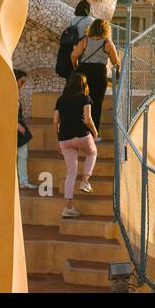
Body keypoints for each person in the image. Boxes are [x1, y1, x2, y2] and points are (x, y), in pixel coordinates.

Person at [53, 73, 99, 219]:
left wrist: (57, 140)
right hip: (81, 135)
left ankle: (67, 208)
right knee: (92, 153)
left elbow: (55, 122)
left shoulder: (61, 100)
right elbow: (87, 119)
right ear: (83, 85)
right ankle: (85, 181)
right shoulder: (85, 98)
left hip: (64, 139)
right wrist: (95, 132)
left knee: (71, 172)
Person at [70, 18, 121, 140]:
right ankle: (93, 134)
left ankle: (79, 132)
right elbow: (116, 62)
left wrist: (76, 67)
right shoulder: (107, 43)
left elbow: (73, 55)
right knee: (96, 104)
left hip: (84, 72)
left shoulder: (85, 40)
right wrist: (118, 74)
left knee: (81, 101)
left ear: (92, 28)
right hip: (99, 74)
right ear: (106, 30)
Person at [15, 68, 36, 189]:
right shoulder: (10, 93)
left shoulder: (13, 92)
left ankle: (23, 181)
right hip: (16, 129)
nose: (22, 85)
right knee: (22, 154)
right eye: (21, 82)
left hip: (17, 129)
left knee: (22, 154)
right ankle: (23, 181)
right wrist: (18, 126)